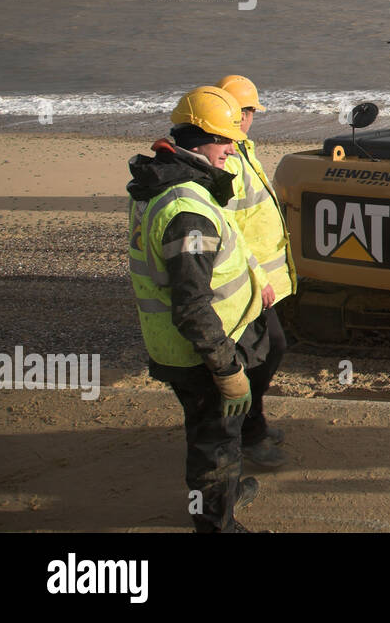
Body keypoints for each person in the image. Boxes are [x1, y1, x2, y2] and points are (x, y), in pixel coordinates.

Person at [126, 86, 275, 532]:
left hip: (189, 349)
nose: (233, 147)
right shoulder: (186, 210)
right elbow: (191, 305)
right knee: (213, 444)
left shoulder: (174, 183)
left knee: (214, 436)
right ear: (196, 140)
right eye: (224, 139)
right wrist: (226, 368)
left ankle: (221, 499)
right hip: (201, 354)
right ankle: (216, 524)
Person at [217, 74, 295, 469]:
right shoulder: (229, 159)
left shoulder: (241, 149)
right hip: (245, 284)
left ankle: (254, 423)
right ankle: (246, 434)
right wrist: (258, 279)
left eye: (250, 111)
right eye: (246, 110)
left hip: (256, 280)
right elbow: (227, 229)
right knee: (261, 354)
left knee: (266, 351)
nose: (250, 117)